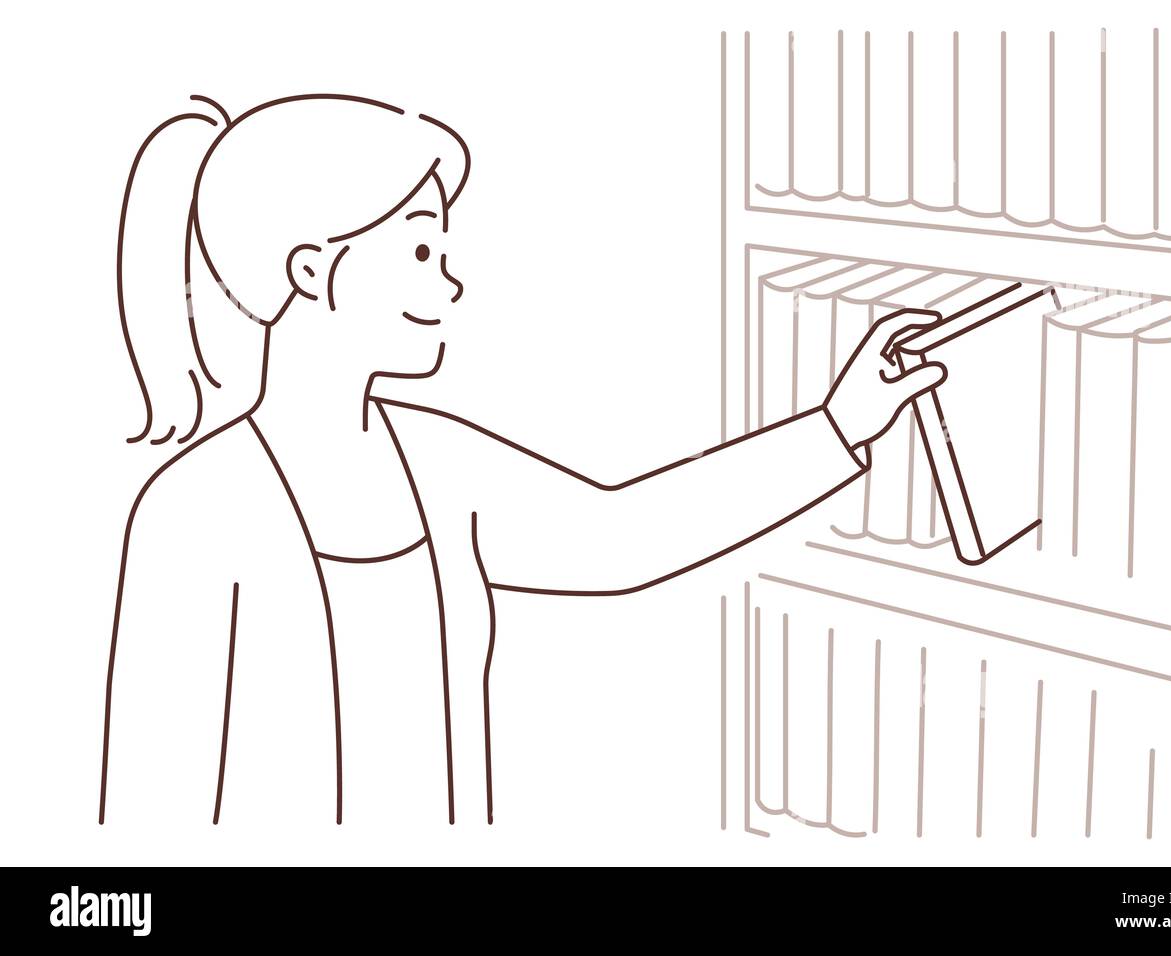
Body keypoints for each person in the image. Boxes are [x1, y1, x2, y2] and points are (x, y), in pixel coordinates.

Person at [100, 94, 947, 827]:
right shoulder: (193, 515)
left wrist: (839, 425)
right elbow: (142, 819)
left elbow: (622, 536)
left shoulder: (436, 464)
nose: (451, 281)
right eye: (422, 250)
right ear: (315, 269)